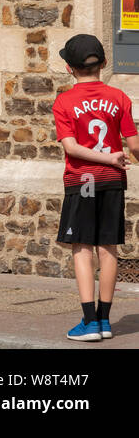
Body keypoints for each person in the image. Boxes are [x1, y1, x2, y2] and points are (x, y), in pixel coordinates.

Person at [52, 34, 139, 341]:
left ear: (68, 68)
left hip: (82, 181)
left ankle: (89, 322)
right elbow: (134, 145)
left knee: (82, 247)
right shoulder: (119, 98)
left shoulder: (64, 102)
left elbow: (72, 149)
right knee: (108, 247)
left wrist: (104, 158)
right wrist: (116, 159)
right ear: (103, 64)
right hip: (112, 182)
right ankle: (104, 320)